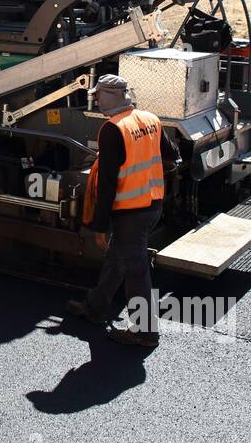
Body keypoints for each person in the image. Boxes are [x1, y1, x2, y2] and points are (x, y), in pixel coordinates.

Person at [67, 74, 175, 347]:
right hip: (153, 204)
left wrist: (100, 225)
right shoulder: (150, 119)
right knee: (119, 258)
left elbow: (107, 183)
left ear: (111, 97)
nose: (96, 99)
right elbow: (171, 155)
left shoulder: (113, 129)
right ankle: (95, 306)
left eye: (99, 94)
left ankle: (145, 331)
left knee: (136, 269)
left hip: (130, 211)